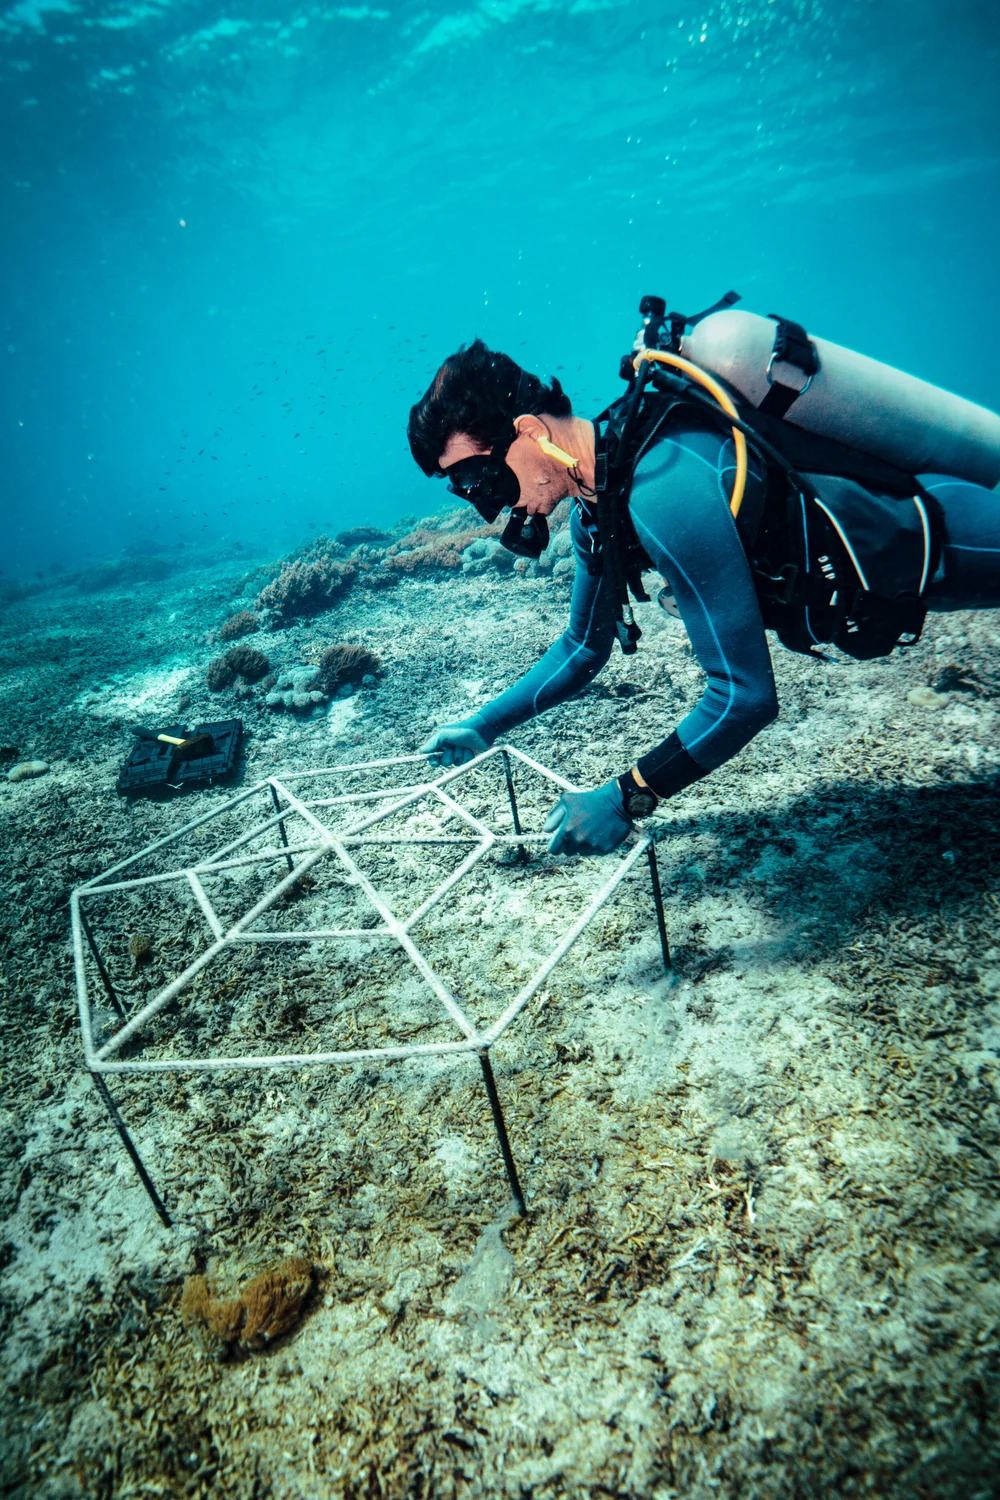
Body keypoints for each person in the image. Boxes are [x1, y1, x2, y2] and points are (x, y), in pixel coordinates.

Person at [407, 338, 1000, 858]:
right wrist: (484, 725)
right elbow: (581, 647)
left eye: (478, 480)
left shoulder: (661, 491)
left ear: (530, 432)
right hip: (895, 580)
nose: (487, 506)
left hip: (945, 538)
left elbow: (745, 695)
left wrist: (626, 797)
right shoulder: (598, 510)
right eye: (464, 492)